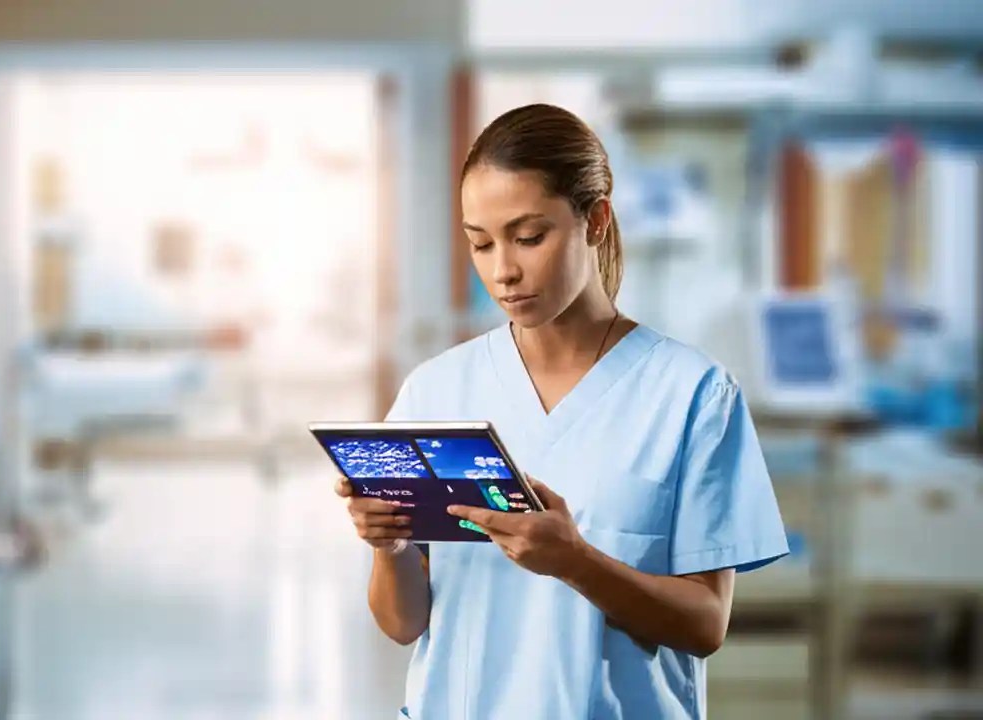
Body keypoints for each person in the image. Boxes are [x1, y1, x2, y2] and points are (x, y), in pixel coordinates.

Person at [334, 104, 789, 719]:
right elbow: (403, 623)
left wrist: (576, 562)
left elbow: (705, 625)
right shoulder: (436, 391)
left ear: (595, 220)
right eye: (481, 243)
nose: (504, 271)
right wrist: (387, 547)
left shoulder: (693, 394)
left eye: (528, 237)